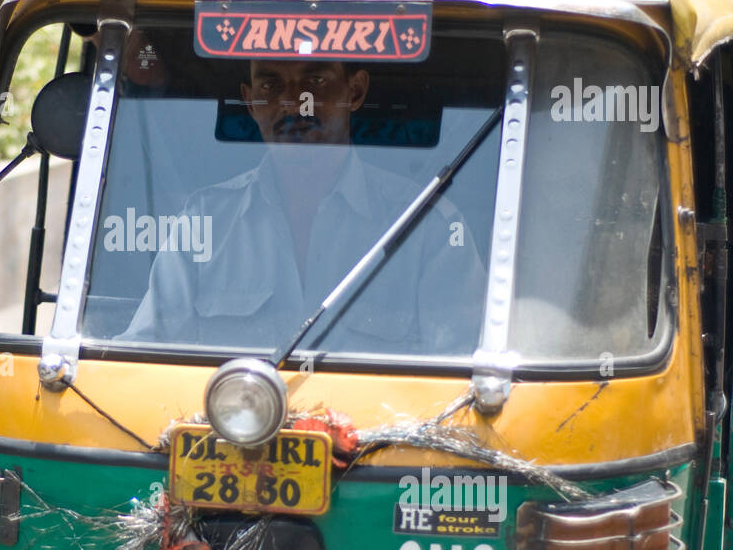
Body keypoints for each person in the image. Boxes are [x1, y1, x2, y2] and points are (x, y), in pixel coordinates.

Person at [121, 58, 487, 356]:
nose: (294, 102)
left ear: (355, 91)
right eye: (270, 86)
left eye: (315, 80)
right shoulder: (204, 221)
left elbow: (464, 386)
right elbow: (140, 360)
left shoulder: (427, 226)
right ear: (250, 102)